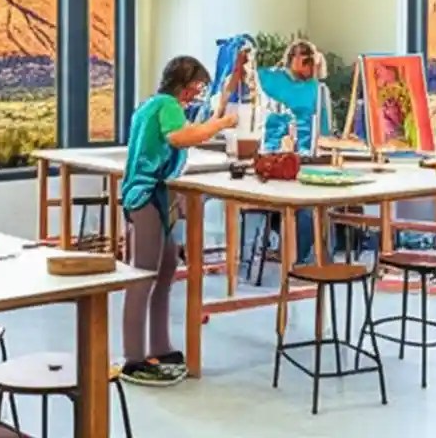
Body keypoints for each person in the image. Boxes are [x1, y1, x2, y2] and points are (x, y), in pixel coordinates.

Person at [118, 55, 235, 386]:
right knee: (143, 275)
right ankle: (133, 357)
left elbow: (182, 135)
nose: (198, 93)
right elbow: (179, 138)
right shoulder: (168, 105)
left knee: (167, 265)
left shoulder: (151, 105)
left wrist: (211, 122)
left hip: (154, 196)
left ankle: (159, 345)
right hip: (146, 197)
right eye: (197, 86)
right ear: (184, 84)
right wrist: (221, 125)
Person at [228, 39, 333, 264]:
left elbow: (324, 128)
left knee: (307, 205)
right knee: (288, 205)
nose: (306, 66)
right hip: (275, 153)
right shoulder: (272, 80)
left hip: (306, 153)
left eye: (310, 61)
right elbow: (247, 81)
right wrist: (242, 64)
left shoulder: (317, 88)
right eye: (303, 60)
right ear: (292, 59)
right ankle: (292, 252)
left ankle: (296, 253)